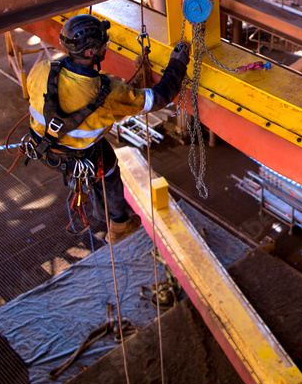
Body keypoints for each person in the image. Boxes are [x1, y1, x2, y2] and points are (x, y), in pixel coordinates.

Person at [23, 14, 189, 243]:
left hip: (41, 148)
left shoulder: (42, 69)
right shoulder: (107, 93)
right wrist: (178, 63)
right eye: (103, 45)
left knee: (98, 160)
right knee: (108, 172)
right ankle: (119, 223)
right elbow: (159, 98)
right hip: (80, 156)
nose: (106, 48)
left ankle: (101, 211)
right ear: (91, 52)